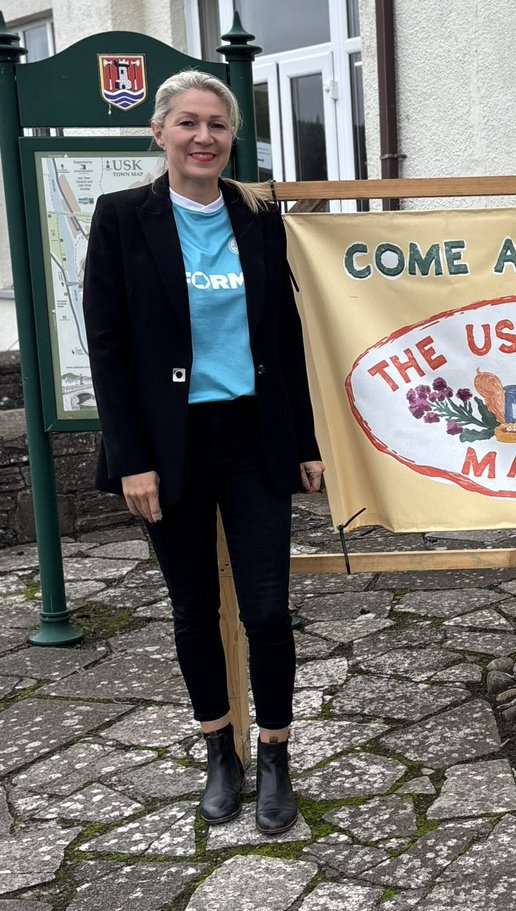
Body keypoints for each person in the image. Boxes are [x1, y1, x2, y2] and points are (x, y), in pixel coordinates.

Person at [83, 69, 324, 835]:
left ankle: (275, 753)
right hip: (169, 447)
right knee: (193, 608)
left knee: (267, 611)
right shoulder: (123, 218)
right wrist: (132, 459)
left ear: (231, 138)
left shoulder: (257, 218)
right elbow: (108, 346)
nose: (203, 137)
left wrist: (306, 441)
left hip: (254, 438)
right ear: (159, 132)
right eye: (188, 122)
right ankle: (221, 751)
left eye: (217, 124)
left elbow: (284, 335)